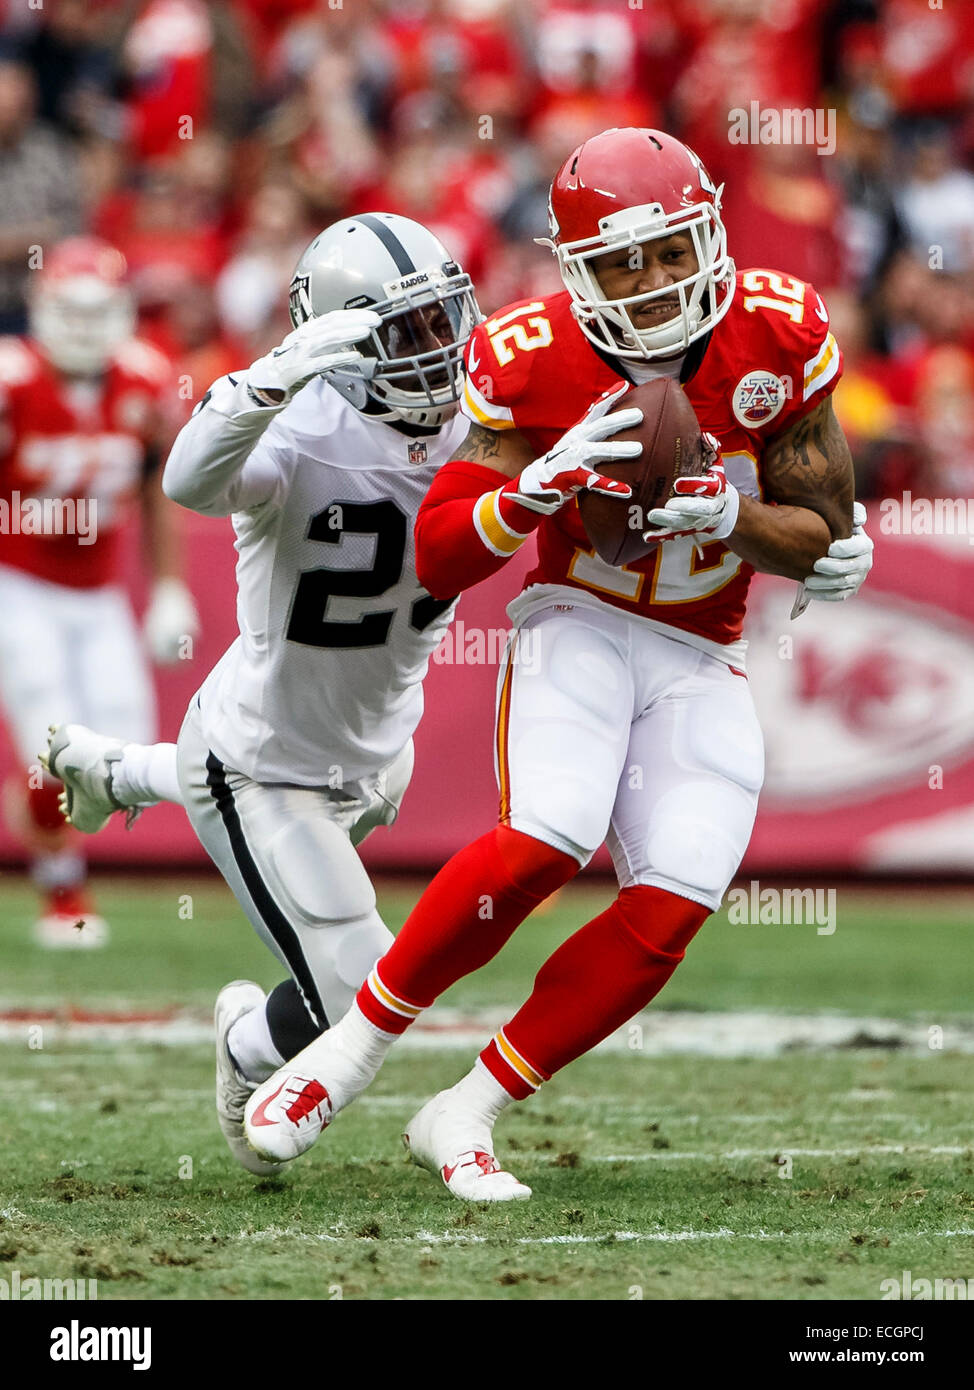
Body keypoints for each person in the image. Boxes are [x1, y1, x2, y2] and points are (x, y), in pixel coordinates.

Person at [241, 128, 875, 1201]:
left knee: (675, 896)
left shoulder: (777, 328)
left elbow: (823, 535)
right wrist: (532, 490)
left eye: (672, 251)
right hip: (574, 616)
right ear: (577, 268)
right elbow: (438, 550)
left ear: (710, 233)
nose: (655, 281)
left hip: (701, 648)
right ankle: (342, 1058)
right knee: (548, 832)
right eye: (623, 262)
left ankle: (468, 1110)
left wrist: (730, 516)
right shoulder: (531, 350)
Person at [46, 212, 482, 1175]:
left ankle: (125, 773)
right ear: (340, 336)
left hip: (375, 753)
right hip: (263, 766)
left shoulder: (477, 415)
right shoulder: (295, 426)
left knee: (340, 981)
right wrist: (268, 377)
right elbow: (188, 481)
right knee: (371, 982)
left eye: (443, 318)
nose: (438, 350)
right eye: (405, 331)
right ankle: (248, 1046)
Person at [0, 235, 198, 947]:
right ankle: (63, 894)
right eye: (70, 312)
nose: (84, 329)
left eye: (98, 312)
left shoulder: (145, 378)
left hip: (97, 593)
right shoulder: (13, 379)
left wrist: (169, 587)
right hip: (19, 584)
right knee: (52, 746)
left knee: (122, 747)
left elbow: (153, 488)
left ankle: (33, 819)